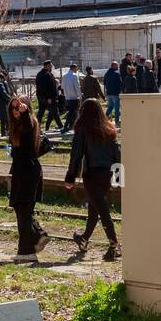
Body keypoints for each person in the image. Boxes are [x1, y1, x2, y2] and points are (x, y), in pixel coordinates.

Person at [64, 99, 121, 260]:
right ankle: (84, 239)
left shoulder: (82, 128)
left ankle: (114, 244)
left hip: (92, 174)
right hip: (107, 174)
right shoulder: (109, 127)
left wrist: (70, 177)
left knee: (102, 210)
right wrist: (118, 177)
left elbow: (76, 154)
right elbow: (117, 153)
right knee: (94, 208)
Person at [8, 96, 52, 263]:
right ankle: (37, 237)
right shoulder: (16, 126)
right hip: (22, 172)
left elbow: (28, 126)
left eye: (18, 107)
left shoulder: (29, 123)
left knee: (23, 209)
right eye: (13, 108)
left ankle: (27, 251)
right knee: (22, 209)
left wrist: (24, 113)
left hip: (28, 172)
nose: (15, 111)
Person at [35, 61, 60, 131]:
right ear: (46, 66)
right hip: (48, 97)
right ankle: (61, 127)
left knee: (41, 112)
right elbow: (46, 87)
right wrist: (49, 97)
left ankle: (36, 126)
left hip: (41, 97)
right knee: (55, 112)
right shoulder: (46, 75)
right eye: (50, 66)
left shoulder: (40, 74)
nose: (51, 67)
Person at [61, 63, 81, 134]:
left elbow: (62, 87)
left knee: (72, 112)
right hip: (75, 97)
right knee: (72, 112)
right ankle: (66, 126)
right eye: (76, 69)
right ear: (74, 68)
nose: (77, 70)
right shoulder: (74, 76)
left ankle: (71, 126)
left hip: (67, 97)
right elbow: (77, 87)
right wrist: (80, 96)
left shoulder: (64, 76)